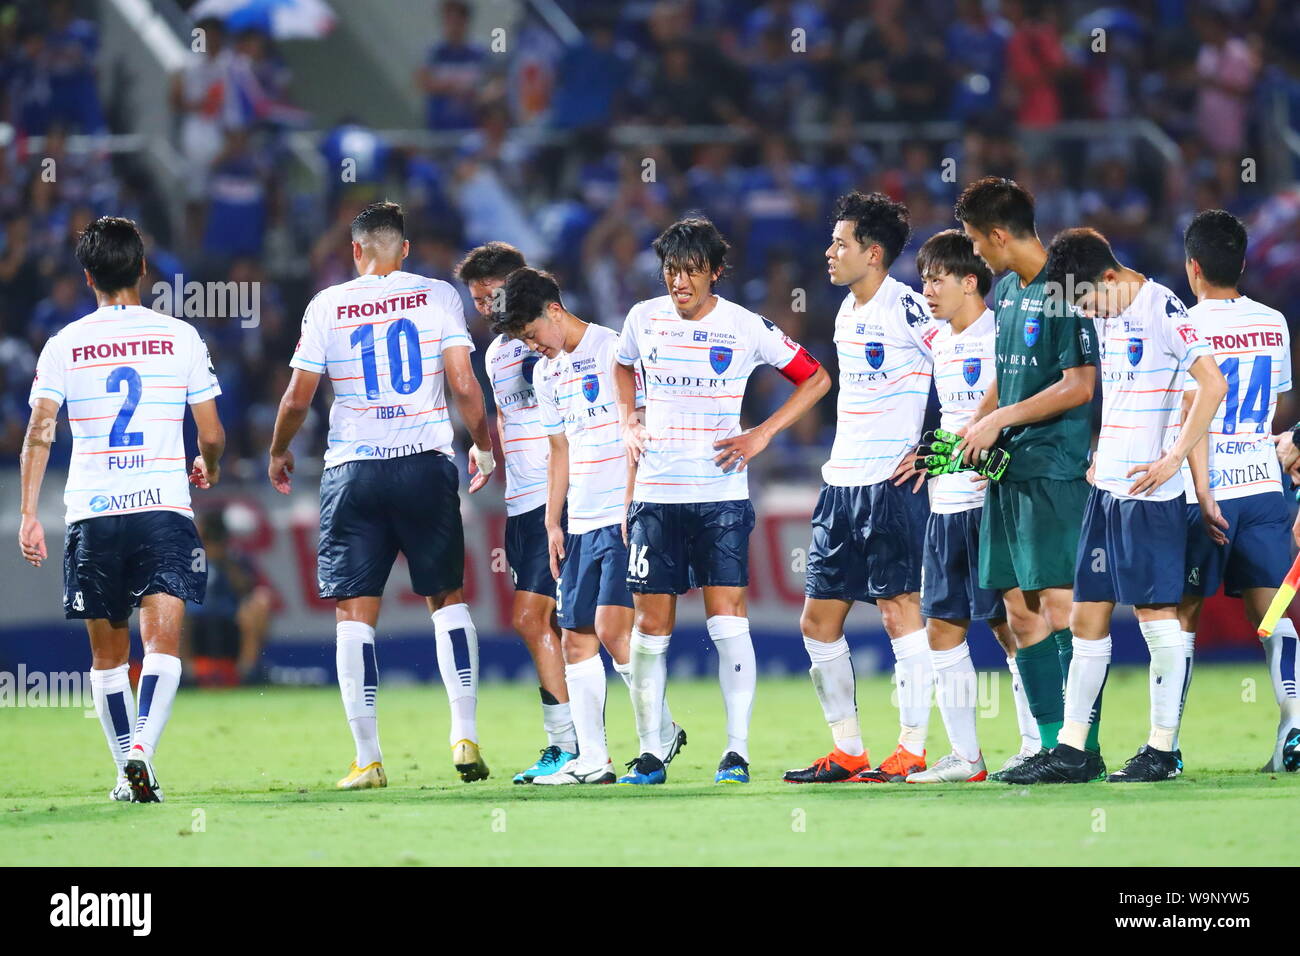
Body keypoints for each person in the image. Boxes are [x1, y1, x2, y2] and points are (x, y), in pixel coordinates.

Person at [267, 201, 496, 789]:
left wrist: (278, 449)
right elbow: (464, 384)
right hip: (424, 465)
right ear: (406, 250)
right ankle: (464, 734)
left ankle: (368, 759)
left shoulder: (328, 303)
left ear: (356, 251)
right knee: (447, 599)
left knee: (353, 613)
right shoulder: (438, 295)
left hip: (355, 472)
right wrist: (484, 445)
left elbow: (297, 397)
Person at [614, 217, 829, 785]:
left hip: (720, 498)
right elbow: (620, 364)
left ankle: (736, 752)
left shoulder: (745, 326)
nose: (678, 282)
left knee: (728, 622)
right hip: (656, 498)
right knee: (650, 626)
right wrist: (627, 419)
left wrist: (762, 434)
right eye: (669, 270)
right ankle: (651, 751)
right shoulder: (642, 318)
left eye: (689, 271)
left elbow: (815, 378)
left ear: (714, 272)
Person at [19, 216, 225, 802]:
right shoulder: (180, 337)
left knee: (108, 659)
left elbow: (40, 430)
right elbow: (210, 431)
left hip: (93, 512)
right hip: (162, 507)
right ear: (141, 268)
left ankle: (124, 773)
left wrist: (31, 512)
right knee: (162, 646)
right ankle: (142, 753)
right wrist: (206, 462)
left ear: (88, 277)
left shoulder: (64, 344)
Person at [1021, 226, 1226, 784]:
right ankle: (1073, 749)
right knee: (1088, 614)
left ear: (1110, 278)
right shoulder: (1104, 310)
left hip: (1149, 494)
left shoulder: (1163, 307)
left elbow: (1211, 385)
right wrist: (1099, 450)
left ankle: (1163, 749)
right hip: (1106, 488)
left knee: (1156, 617)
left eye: (1088, 299)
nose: (1089, 312)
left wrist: (1174, 459)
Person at [496, 267, 685, 784]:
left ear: (554, 311)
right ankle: (595, 760)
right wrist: (552, 522)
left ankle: (659, 735)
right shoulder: (544, 373)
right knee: (576, 636)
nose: (533, 347)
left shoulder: (612, 350)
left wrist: (631, 503)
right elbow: (558, 449)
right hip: (578, 518)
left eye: (533, 334)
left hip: (622, 513)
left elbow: (639, 427)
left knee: (611, 629)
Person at [784, 192, 940, 785]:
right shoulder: (847, 311)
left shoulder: (908, 307)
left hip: (889, 487)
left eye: (840, 243)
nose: (829, 252)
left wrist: (934, 444)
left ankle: (913, 747)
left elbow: (960, 365)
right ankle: (847, 750)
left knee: (901, 612)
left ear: (873, 254)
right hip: (841, 485)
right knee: (817, 622)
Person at [955, 176, 1101, 781]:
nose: (975, 256)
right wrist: (975, 421)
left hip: (1052, 466)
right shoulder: (1010, 290)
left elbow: (1080, 385)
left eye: (974, 242)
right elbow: (1007, 372)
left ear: (997, 233)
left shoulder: (1066, 290)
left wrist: (1002, 419)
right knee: (1017, 608)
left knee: (1060, 602)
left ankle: (1080, 749)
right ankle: (1047, 744)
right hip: (1008, 469)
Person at [905, 229, 1039, 783]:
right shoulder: (936, 339)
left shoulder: (1001, 334)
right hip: (945, 505)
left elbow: (1018, 401)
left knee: (1012, 626)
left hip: (992, 503)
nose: (927, 291)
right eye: (923, 279)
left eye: (937, 279)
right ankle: (967, 758)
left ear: (969, 281)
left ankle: (1038, 745)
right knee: (942, 626)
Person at [456, 243, 584, 783]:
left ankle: (570, 745)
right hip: (522, 503)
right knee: (562, 623)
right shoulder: (495, 354)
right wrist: (486, 452)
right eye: (478, 299)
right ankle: (588, 742)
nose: (485, 307)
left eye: (493, 295)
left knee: (538, 619)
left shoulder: (552, 342)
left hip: (567, 498)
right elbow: (508, 419)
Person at [1174, 210, 1297, 773]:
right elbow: (1281, 403)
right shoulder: (1274, 321)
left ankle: (1163, 746)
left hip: (1206, 489)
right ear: (1243, 263)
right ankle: (1294, 727)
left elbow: (1184, 413)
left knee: (1177, 618)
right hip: (1266, 483)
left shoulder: (1182, 325)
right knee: (1273, 616)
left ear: (1192, 267)